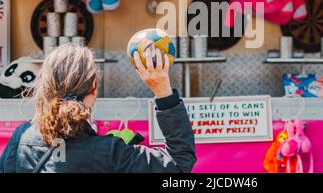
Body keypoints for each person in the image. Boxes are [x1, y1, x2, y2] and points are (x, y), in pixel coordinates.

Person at [0, 44, 196, 173]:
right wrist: (163, 90)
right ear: (93, 88)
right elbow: (179, 165)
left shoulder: (21, 138)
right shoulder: (110, 152)